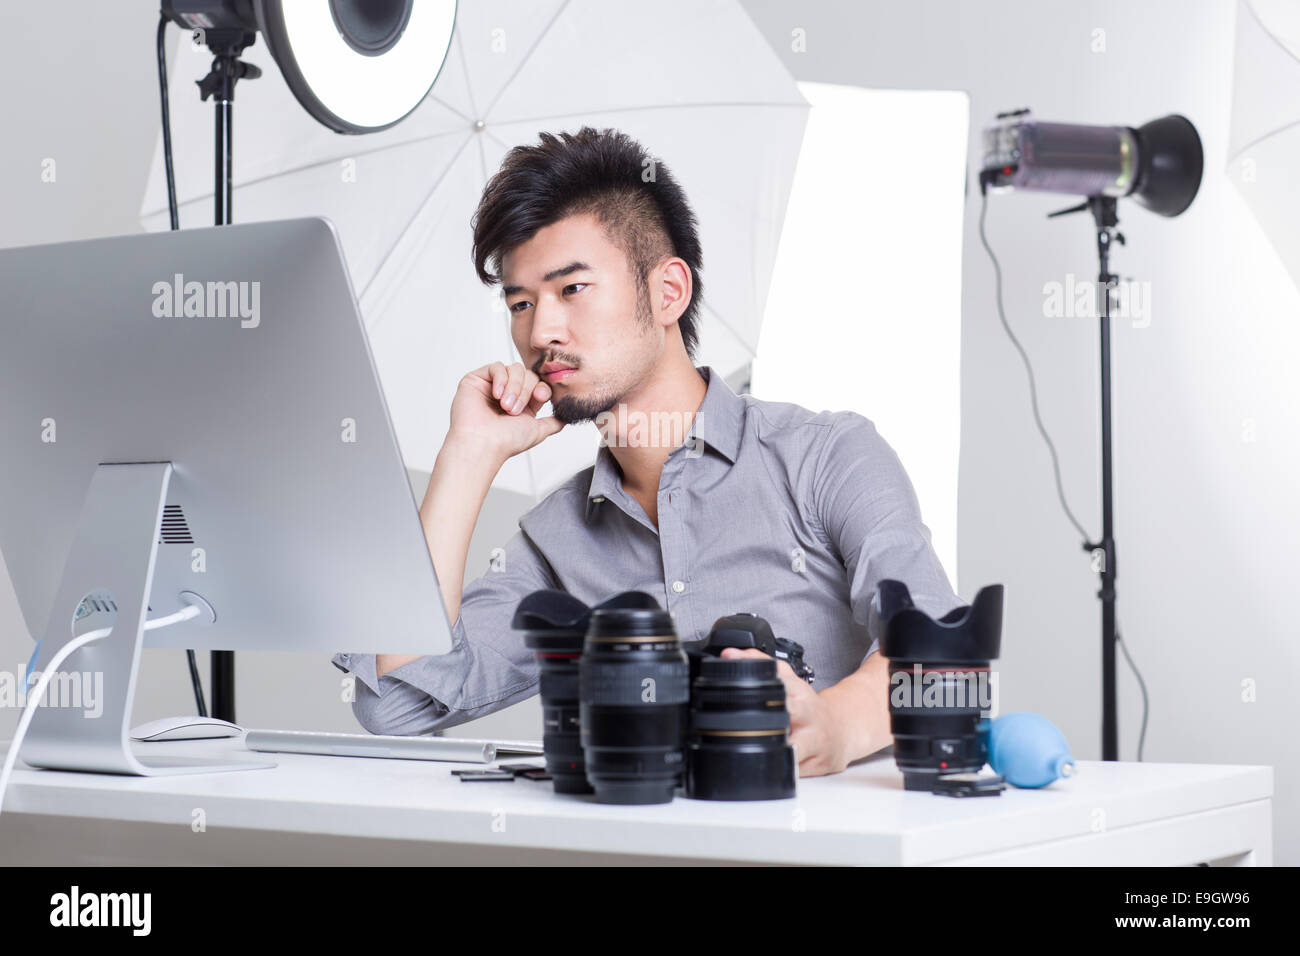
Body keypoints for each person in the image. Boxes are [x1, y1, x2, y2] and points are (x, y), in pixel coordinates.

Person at [332, 126, 961, 776]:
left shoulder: (826, 458)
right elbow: (396, 702)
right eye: (520, 303)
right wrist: (465, 460)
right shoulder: (556, 543)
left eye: (571, 289)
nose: (540, 331)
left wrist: (834, 724)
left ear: (668, 293)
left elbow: (943, 654)